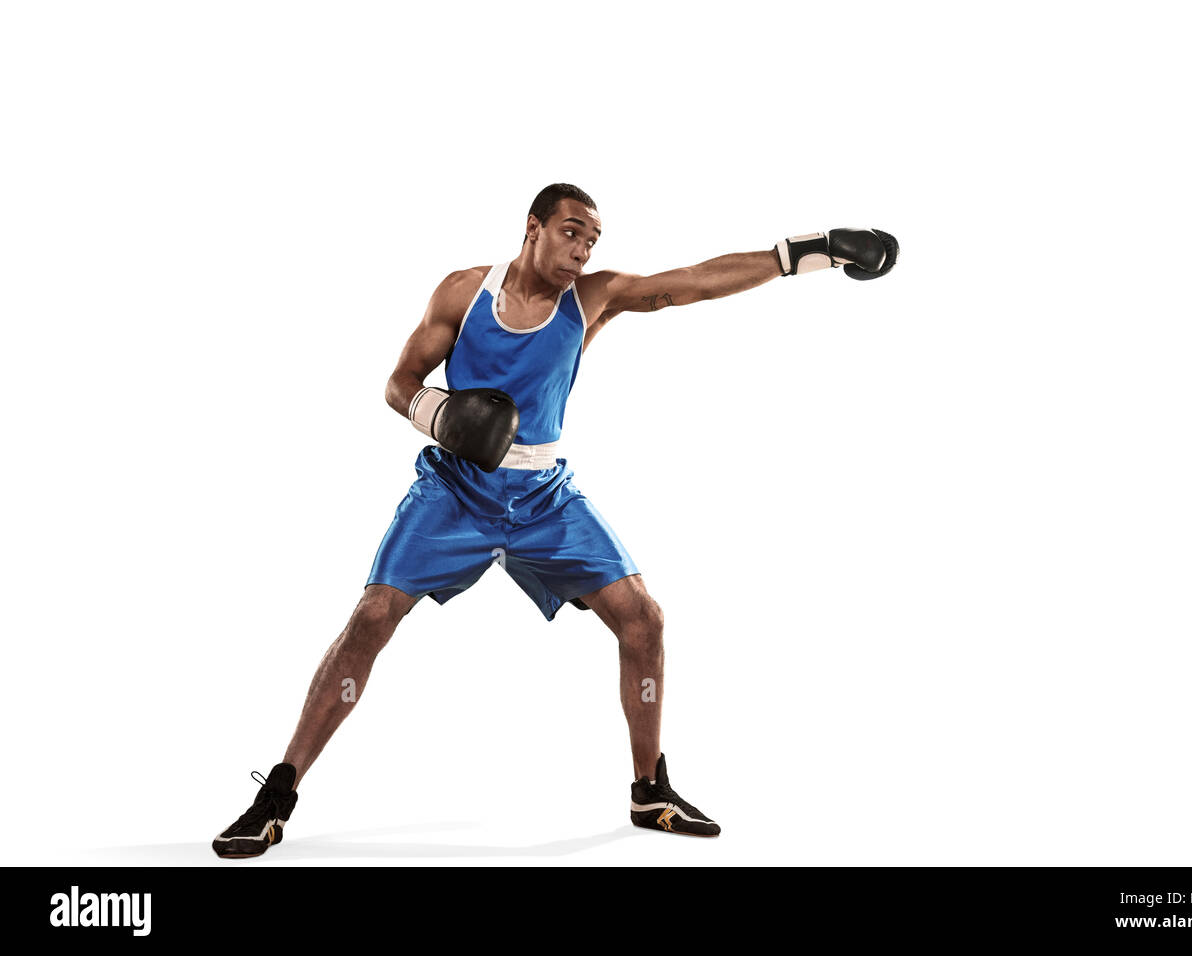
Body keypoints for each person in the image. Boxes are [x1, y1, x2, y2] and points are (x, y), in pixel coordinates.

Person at [212, 183, 898, 857]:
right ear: (533, 226)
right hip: (456, 490)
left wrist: (806, 253)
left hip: (544, 496)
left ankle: (649, 790)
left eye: (593, 240)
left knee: (643, 618)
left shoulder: (593, 299)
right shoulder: (463, 292)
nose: (582, 250)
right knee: (369, 618)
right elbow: (398, 384)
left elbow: (693, 282)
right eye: (572, 232)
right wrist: (443, 416)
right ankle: (277, 796)